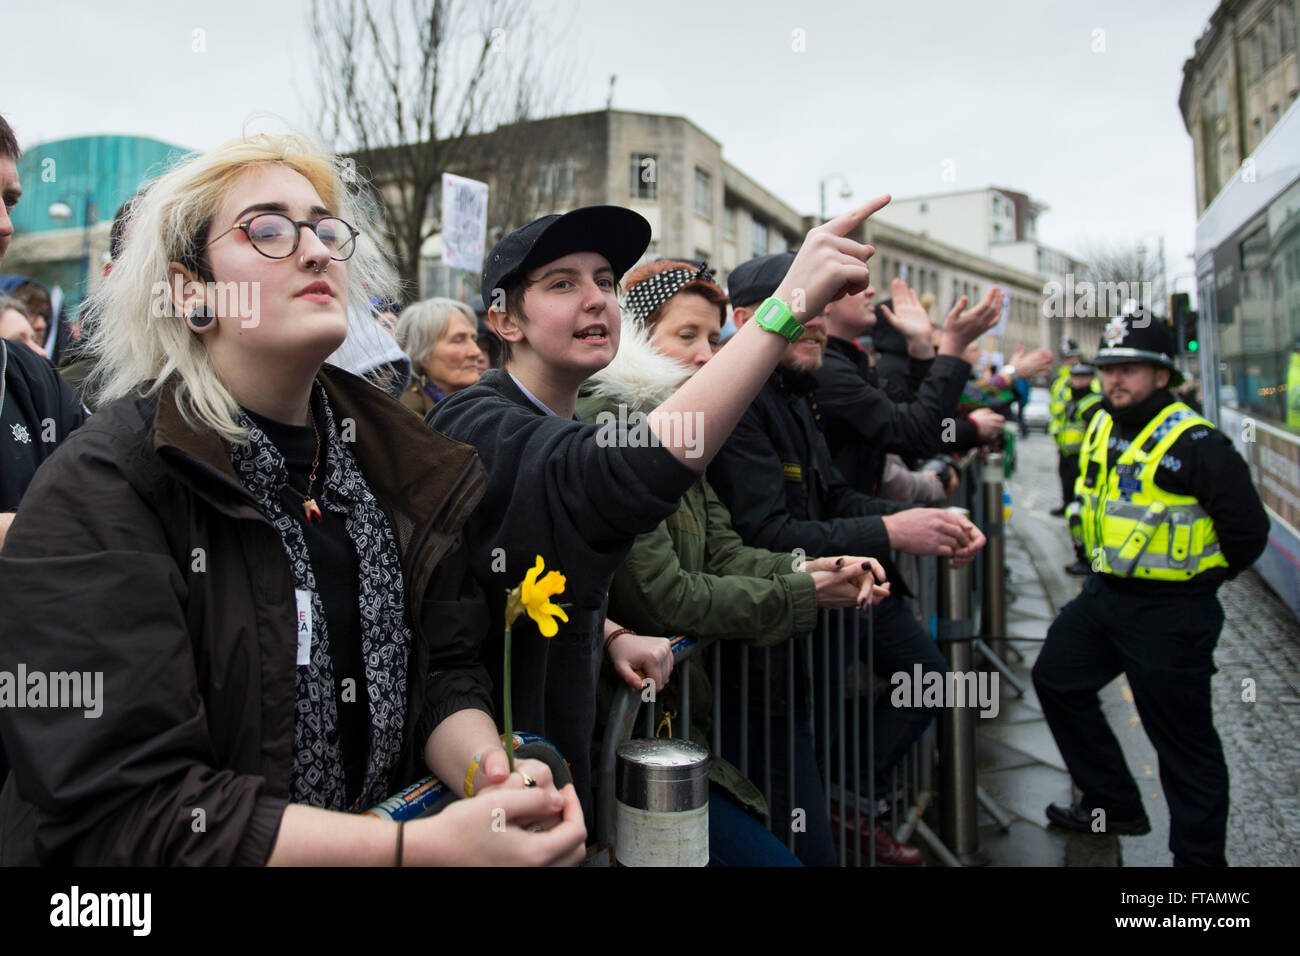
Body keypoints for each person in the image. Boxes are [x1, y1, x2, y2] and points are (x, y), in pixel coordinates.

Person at [0, 131, 586, 866]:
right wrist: (409, 849)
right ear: (191, 293)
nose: (315, 251)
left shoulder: (394, 460)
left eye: (325, 229)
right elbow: (126, 805)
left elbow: (442, 666)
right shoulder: (104, 485)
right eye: (268, 230)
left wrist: (486, 773)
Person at [429, 199, 889, 830]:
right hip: (498, 802)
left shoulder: (557, 418)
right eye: (563, 283)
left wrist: (612, 632)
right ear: (505, 321)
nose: (595, 299)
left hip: (567, 773)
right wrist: (784, 312)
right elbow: (617, 477)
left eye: (605, 282)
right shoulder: (473, 422)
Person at [576, 259, 889, 864]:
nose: (705, 355)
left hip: (668, 732)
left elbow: (723, 548)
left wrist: (808, 570)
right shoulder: (613, 423)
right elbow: (660, 596)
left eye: (715, 338)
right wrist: (803, 595)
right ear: (636, 337)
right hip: (623, 743)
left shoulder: (678, 431)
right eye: (686, 335)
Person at [707, 251, 988, 865]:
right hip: (751, 672)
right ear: (749, 318)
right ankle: (849, 806)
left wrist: (920, 522)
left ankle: (853, 804)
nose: (814, 325)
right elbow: (771, 535)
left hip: (795, 659)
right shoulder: (738, 399)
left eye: (818, 314)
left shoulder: (794, 386)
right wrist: (891, 529)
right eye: (799, 312)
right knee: (800, 846)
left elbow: (828, 492)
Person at [1032, 315, 1269, 867]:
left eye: (1130, 370)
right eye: (1110, 368)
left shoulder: (1198, 443)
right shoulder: (1102, 423)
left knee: (1184, 748)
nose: (1115, 381)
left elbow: (1247, 533)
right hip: (1105, 597)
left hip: (1172, 613)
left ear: (1161, 376)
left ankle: (1199, 874)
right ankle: (1112, 803)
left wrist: (1198, 582)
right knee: (1057, 679)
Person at [395, 296, 484, 416]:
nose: (476, 351)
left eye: (474, 339)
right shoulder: (406, 416)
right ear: (422, 354)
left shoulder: (491, 401)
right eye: (458, 340)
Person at [1058, 362, 1105, 575]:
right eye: (1075, 377)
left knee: (1085, 511)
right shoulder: (1071, 399)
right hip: (1068, 459)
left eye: (1083, 377)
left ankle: (1091, 559)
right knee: (1072, 510)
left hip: (1085, 464)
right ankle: (1081, 554)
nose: (1079, 381)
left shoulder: (1094, 403)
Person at [1049, 339, 1097, 515]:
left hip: (1083, 445)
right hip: (1064, 442)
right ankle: (1067, 505)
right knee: (1065, 477)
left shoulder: (1092, 389)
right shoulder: (1060, 383)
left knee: (1082, 481)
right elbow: (1055, 411)